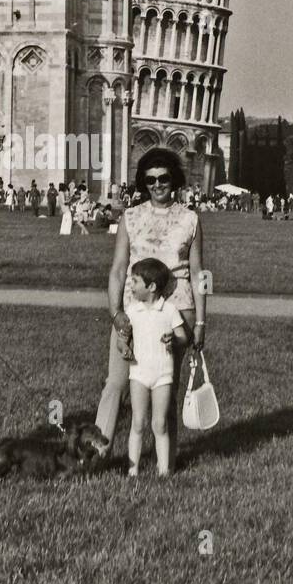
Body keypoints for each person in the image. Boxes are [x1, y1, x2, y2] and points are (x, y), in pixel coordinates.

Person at [96, 147, 206, 467]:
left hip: (176, 311)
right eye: (150, 179)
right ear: (143, 182)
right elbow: (118, 269)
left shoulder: (190, 219)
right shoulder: (130, 216)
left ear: (175, 179)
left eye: (164, 178)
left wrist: (200, 322)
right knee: (116, 384)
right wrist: (115, 313)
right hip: (133, 313)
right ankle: (98, 455)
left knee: (165, 388)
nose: (158, 184)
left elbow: (200, 273)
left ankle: (165, 463)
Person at [123, 258, 189, 478]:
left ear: (151, 287)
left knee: (159, 423)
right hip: (139, 373)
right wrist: (123, 346)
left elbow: (183, 338)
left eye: (134, 281)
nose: (130, 285)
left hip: (163, 374)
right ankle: (132, 470)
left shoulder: (169, 310)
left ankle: (164, 472)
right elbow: (122, 339)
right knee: (138, 422)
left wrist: (174, 339)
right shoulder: (132, 311)